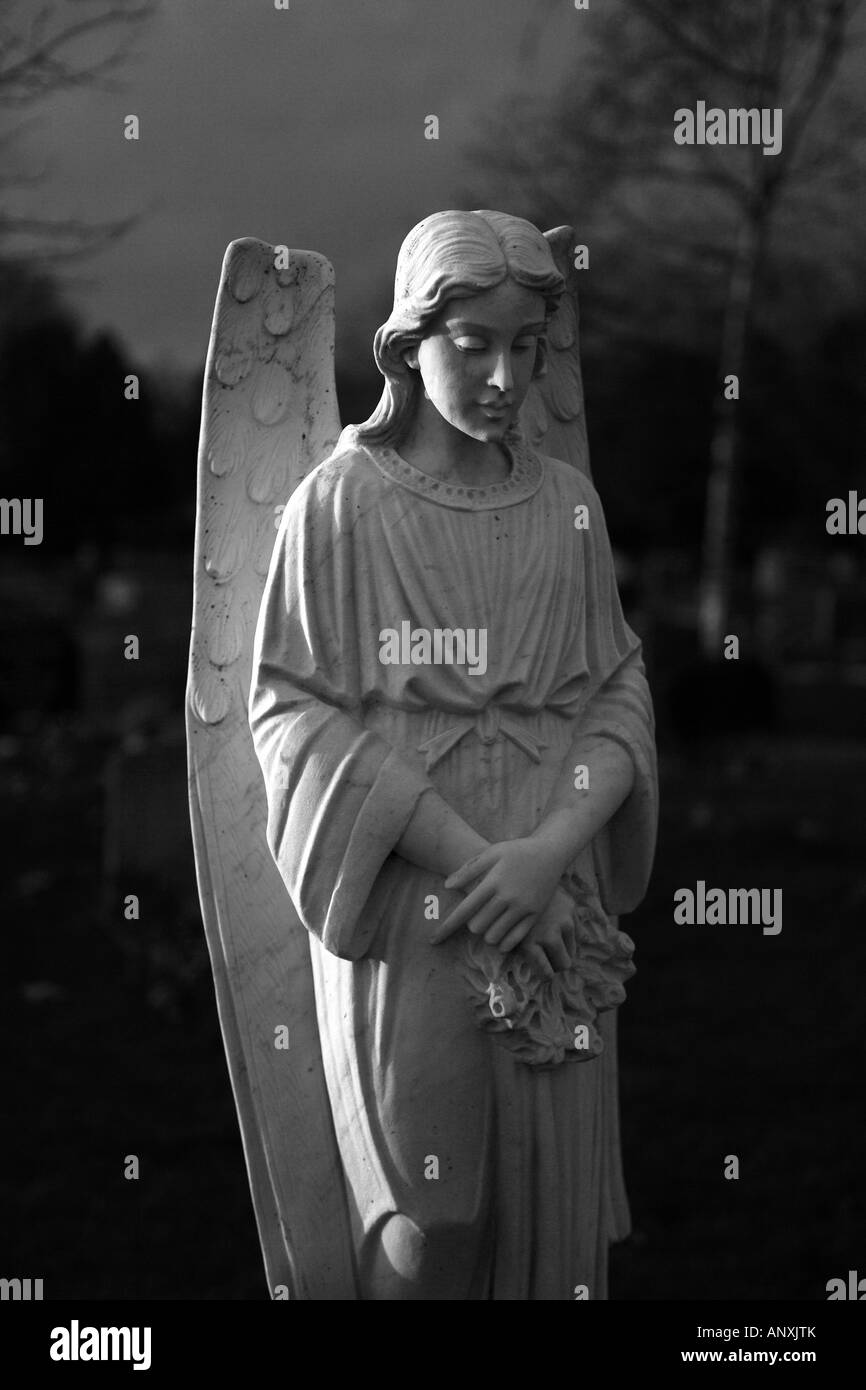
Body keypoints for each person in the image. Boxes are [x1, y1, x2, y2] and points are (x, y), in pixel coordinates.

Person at [249, 209, 657, 1300]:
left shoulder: (567, 508)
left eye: (523, 347)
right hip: (419, 901)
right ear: (405, 343)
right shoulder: (339, 506)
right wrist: (480, 859)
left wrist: (551, 850)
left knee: (549, 1216)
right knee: (433, 1221)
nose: (502, 376)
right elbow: (293, 714)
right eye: (470, 343)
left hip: (554, 902)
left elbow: (615, 693)